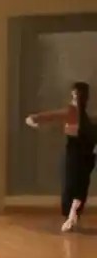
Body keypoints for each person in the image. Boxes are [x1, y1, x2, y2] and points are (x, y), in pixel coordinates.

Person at [27, 81, 95, 233]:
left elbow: (52, 116)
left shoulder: (76, 114)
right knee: (77, 187)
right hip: (83, 157)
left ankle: (72, 216)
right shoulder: (80, 116)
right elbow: (54, 116)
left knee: (73, 187)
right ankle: (73, 215)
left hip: (78, 156)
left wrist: (35, 119)